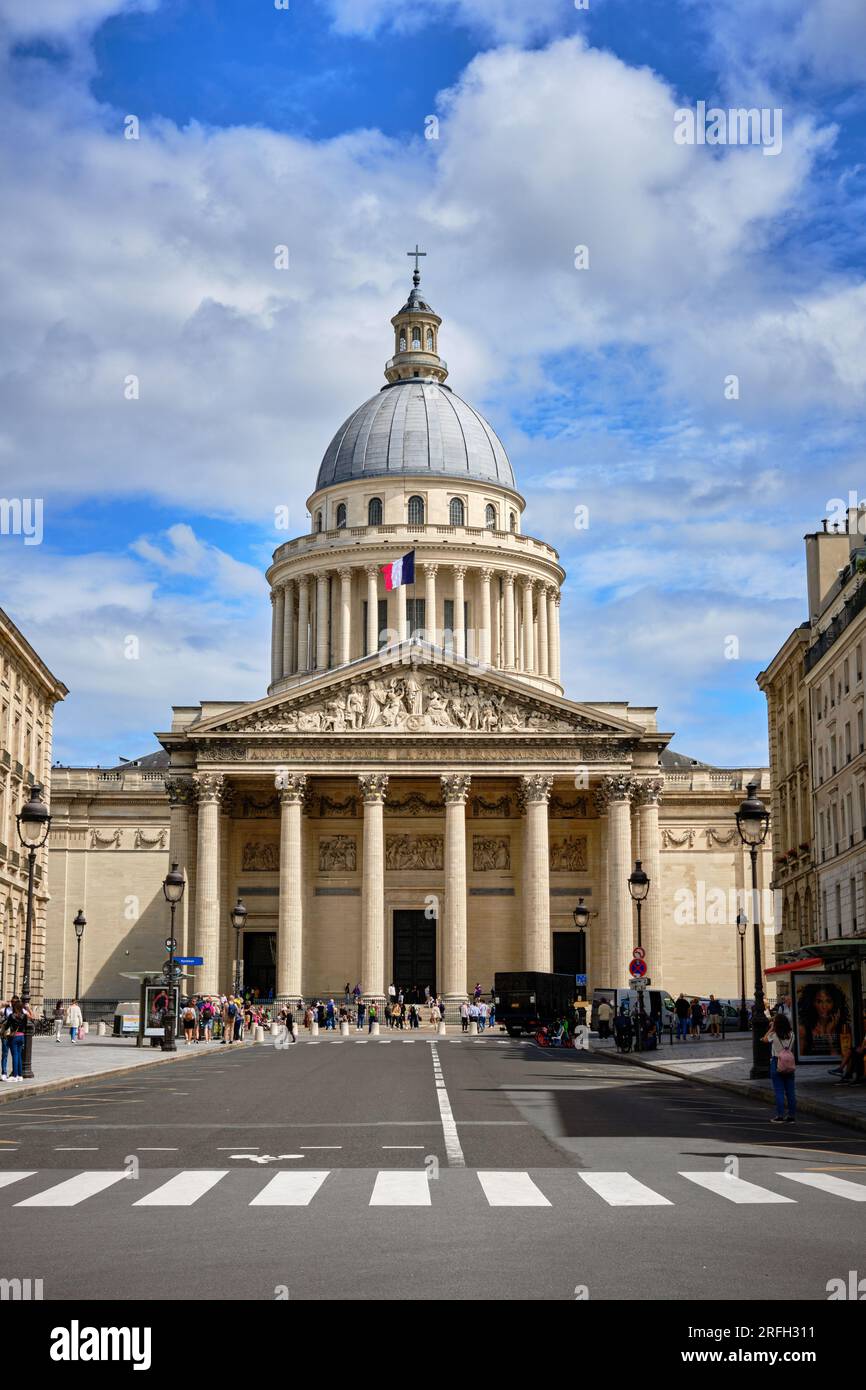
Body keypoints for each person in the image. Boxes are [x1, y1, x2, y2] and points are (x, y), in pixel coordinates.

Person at [763, 1011, 796, 1123]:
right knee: (790, 1091)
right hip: (789, 1063)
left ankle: (780, 1115)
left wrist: (771, 1028)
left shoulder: (774, 1035)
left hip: (777, 1062)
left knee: (779, 1091)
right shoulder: (792, 1035)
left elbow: (764, 1039)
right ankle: (791, 1116)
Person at [1, 1000, 28, 1082]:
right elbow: (25, 1026)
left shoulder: (12, 1016)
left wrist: (3, 1031)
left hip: (14, 1037)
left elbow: (7, 1026)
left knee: (15, 1055)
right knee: (19, 1055)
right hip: (21, 1036)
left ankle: (15, 1075)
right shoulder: (24, 1016)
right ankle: (20, 1075)